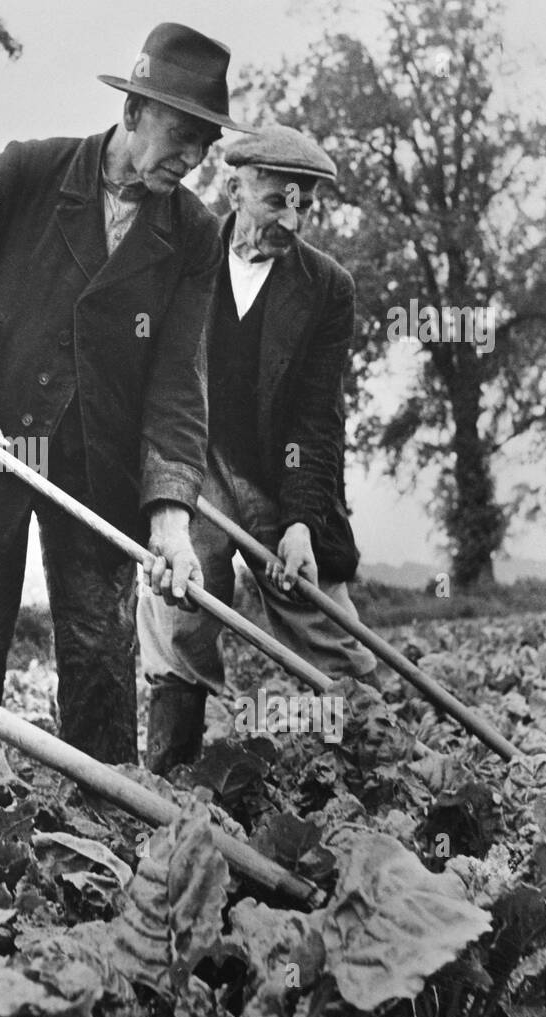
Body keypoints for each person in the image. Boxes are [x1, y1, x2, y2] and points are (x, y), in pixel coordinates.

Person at [0, 22, 253, 825]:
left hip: (100, 476)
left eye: (205, 144)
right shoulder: (27, 174)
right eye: (182, 134)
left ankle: (97, 854)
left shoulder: (192, 236)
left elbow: (176, 385)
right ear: (133, 109)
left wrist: (170, 516)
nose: (192, 157)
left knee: (99, 667)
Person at [137, 124, 379, 774]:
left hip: (280, 474)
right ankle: (170, 779)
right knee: (179, 607)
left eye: (305, 203)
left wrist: (301, 522)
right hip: (192, 465)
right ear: (238, 186)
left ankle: (379, 770)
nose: (293, 219)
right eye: (278, 201)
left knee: (320, 618)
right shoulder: (181, 256)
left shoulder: (327, 286)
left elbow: (316, 417)